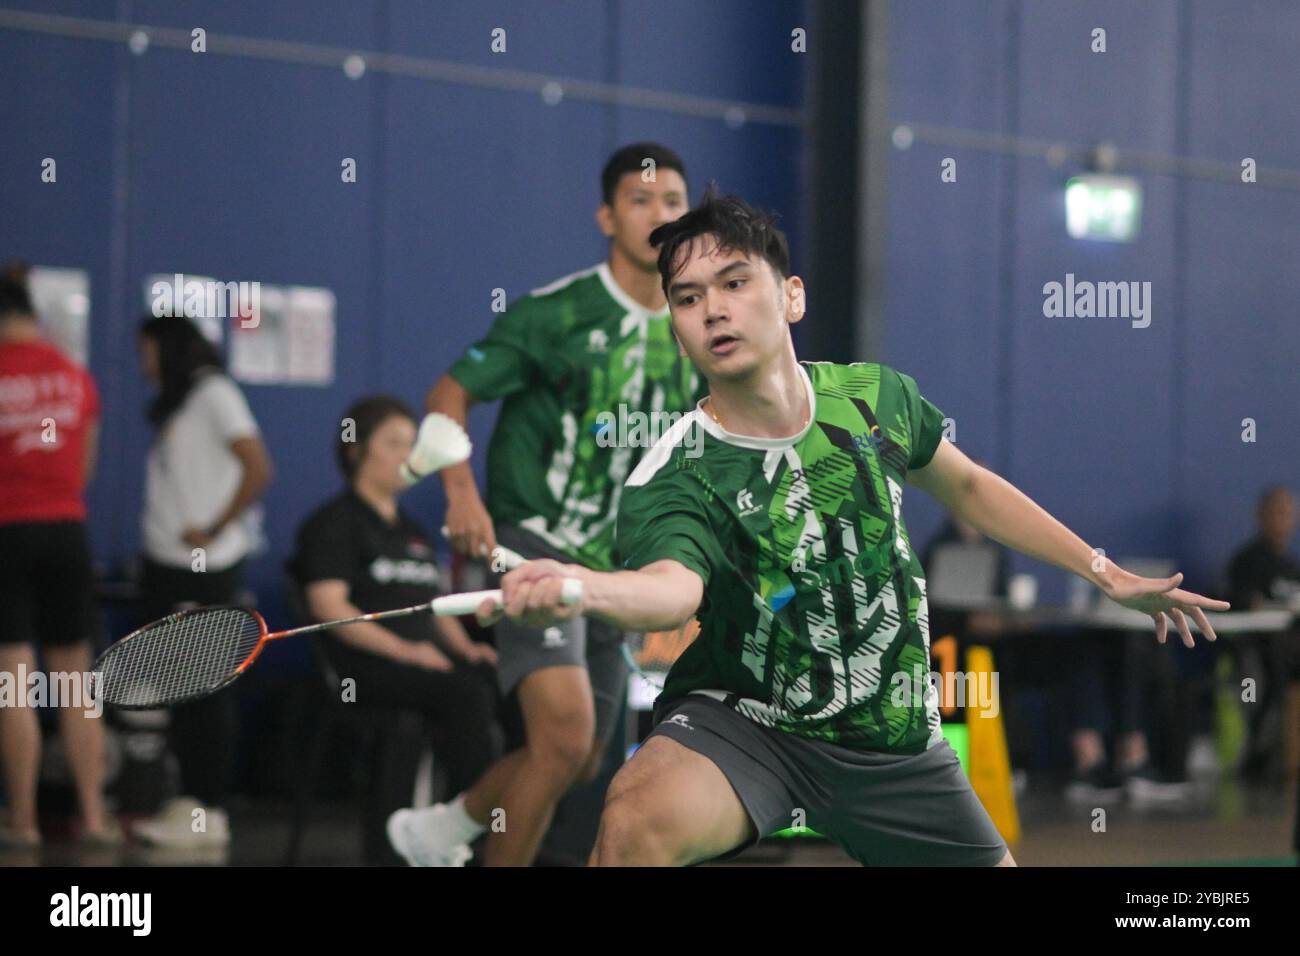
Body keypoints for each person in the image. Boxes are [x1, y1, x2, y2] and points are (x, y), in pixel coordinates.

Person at [481, 187, 1230, 866]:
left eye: (735, 282)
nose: (712, 309)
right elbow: (671, 591)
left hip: (894, 740)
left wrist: (1108, 574)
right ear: (676, 326)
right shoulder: (677, 469)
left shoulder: (875, 399)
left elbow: (969, 488)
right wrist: (578, 587)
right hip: (752, 724)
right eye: (686, 298)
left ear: (792, 296)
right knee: (635, 820)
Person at [387, 143, 702, 866]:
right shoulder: (555, 313)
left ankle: (447, 826)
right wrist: (461, 493)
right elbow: (449, 392)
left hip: (613, 568)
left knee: (584, 756)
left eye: (674, 202)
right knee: (561, 740)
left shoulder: (696, 326)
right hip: (533, 539)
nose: (660, 214)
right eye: (640, 200)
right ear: (606, 216)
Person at [291, 395, 501, 861]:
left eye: (412, 443)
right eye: (393, 443)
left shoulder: (417, 532)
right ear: (355, 449)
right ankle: (468, 835)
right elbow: (331, 609)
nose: (408, 455)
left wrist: (467, 650)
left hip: (426, 665)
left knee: (497, 681)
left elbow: (435, 609)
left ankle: (519, 828)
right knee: (463, 694)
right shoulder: (332, 524)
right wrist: (407, 654)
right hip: (362, 667)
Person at [131, 315, 273, 848]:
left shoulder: (216, 393)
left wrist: (213, 527)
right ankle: (186, 805)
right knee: (175, 688)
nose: (142, 362)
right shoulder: (182, 403)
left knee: (203, 689)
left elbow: (258, 467)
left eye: (147, 350)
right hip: (163, 565)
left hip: (202, 569)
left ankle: (208, 811)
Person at [0, 270, 118, 848]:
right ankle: (95, 818)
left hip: (7, 532)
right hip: (67, 532)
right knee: (76, 682)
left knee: (13, 684)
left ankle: (22, 823)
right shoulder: (75, 376)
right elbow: (86, 471)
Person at [1223, 485, 1300, 780]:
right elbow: (1234, 600)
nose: (1282, 519)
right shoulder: (1246, 561)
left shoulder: (1292, 564)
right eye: (1276, 512)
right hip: (1255, 648)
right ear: (1260, 517)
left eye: (1287, 513)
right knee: (1260, 681)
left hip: (1290, 649)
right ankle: (1262, 753)